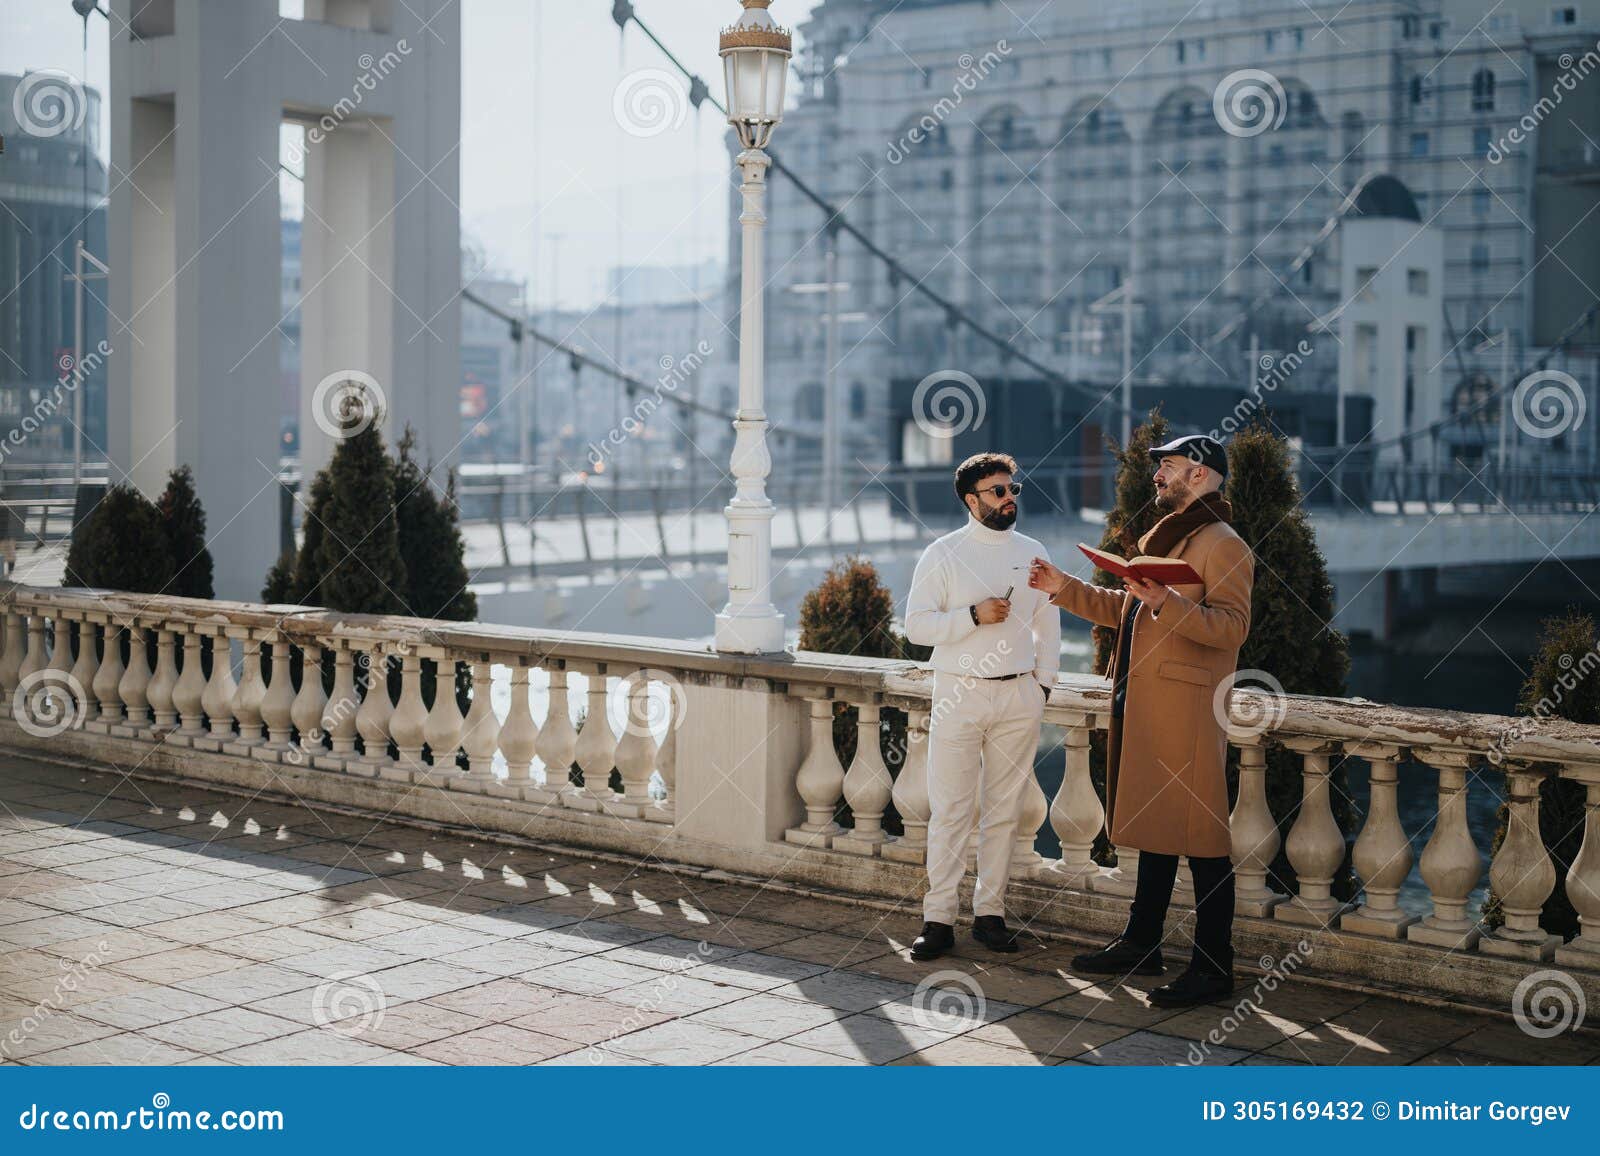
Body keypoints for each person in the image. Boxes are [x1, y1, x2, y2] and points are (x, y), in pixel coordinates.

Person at [1028, 434, 1253, 1007]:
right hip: (1148, 704)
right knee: (1158, 831)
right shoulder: (1169, 538)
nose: (1156, 475)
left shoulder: (1223, 544)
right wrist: (1063, 588)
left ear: (1198, 474)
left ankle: (1214, 968)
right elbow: (1127, 613)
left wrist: (1163, 602)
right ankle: (1141, 944)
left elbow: (1232, 628)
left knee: (1203, 841)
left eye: (1167, 466)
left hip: (1189, 712)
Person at [904, 452, 1060, 961]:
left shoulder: (1033, 551)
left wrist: (1043, 685)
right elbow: (916, 626)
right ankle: (938, 920)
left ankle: (990, 915)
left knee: (1003, 813)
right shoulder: (942, 553)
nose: (1010, 497)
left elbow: (1048, 624)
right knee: (950, 810)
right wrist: (972, 615)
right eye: (998, 491)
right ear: (972, 500)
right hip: (959, 693)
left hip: (1018, 695)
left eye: (1013, 489)